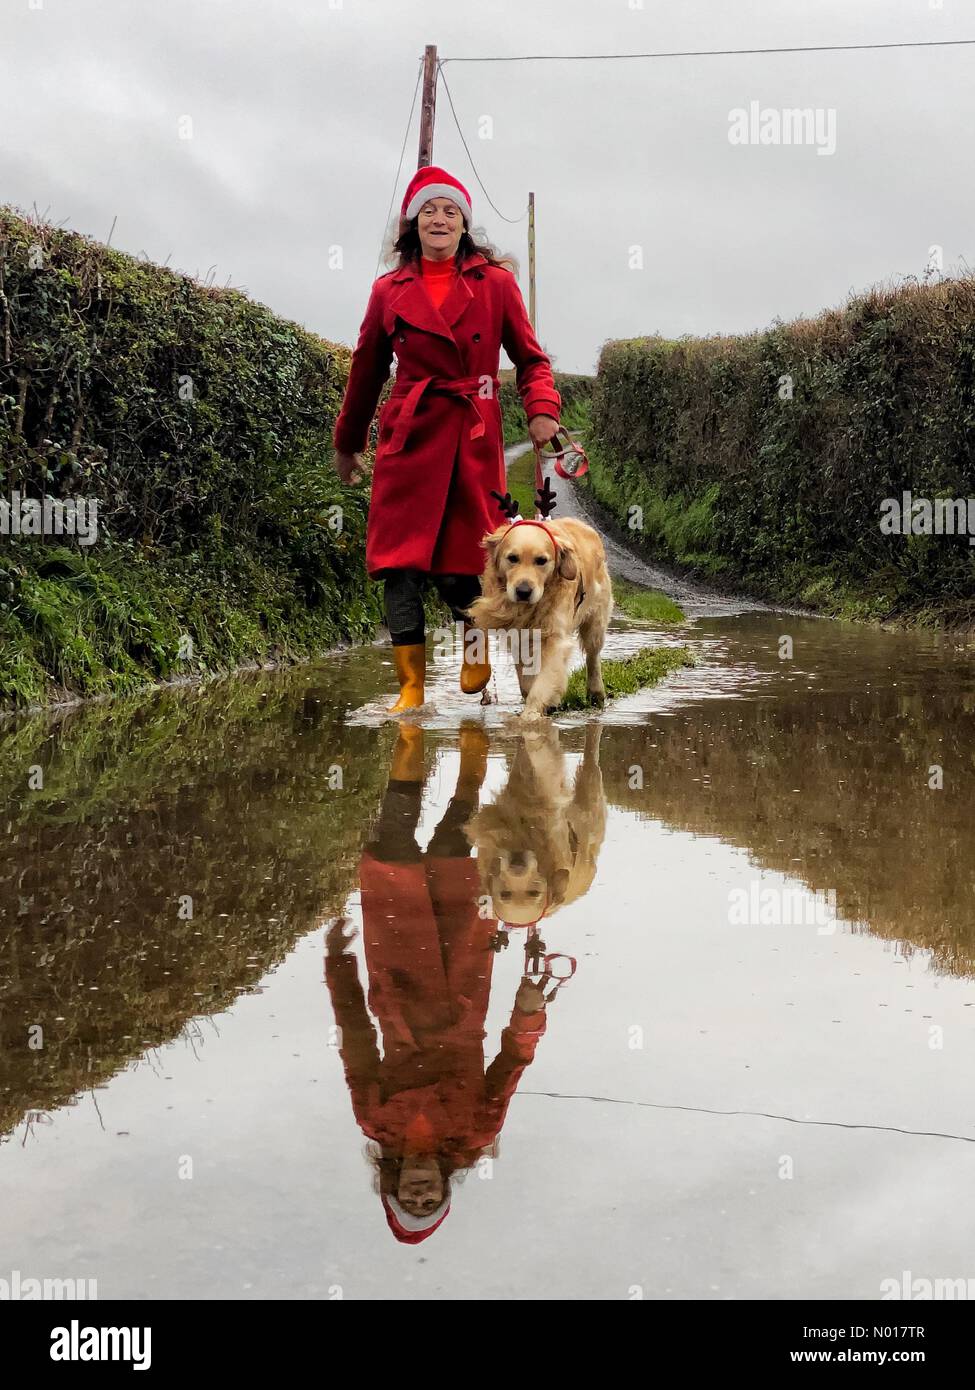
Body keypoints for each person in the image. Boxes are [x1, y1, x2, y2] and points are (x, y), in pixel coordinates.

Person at [332, 165, 561, 712]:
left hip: (471, 436)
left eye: (450, 211)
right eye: (429, 211)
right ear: (413, 224)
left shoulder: (496, 283)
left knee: (468, 564)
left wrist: (542, 410)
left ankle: (476, 650)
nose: (440, 219)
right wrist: (349, 440)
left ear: (464, 224)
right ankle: (411, 688)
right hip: (408, 439)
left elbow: (530, 359)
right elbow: (365, 368)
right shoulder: (388, 290)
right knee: (398, 565)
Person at [323, 724, 551, 1243]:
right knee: (457, 841)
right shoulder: (476, 1131)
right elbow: (513, 1060)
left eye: (411, 1200)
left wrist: (339, 965)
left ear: (393, 1188)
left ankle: (410, 736)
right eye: (430, 1202)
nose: (420, 1194)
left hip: (398, 974)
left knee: (392, 848)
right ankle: (474, 743)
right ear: (446, 1191)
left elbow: (356, 1041)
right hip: (466, 974)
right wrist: (530, 1011)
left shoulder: (374, 1119)